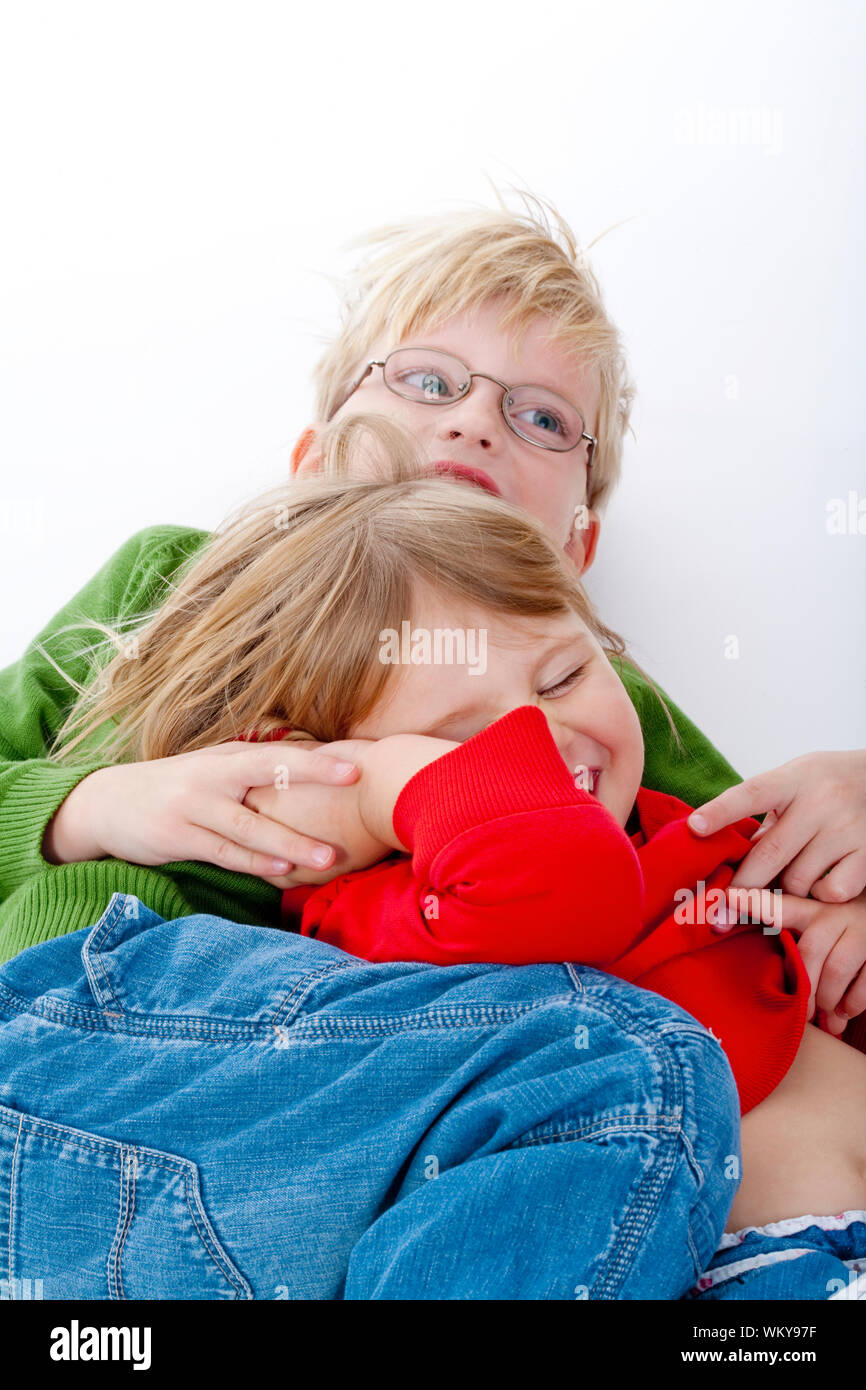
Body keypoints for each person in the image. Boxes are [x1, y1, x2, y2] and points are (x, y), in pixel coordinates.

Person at [17, 413, 866, 1301]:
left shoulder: (680, 826)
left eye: (565, 676)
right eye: (466, 744)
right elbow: (564, 878)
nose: (548, 739)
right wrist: (368, 787)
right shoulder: (383, 913)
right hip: (737, 1269)